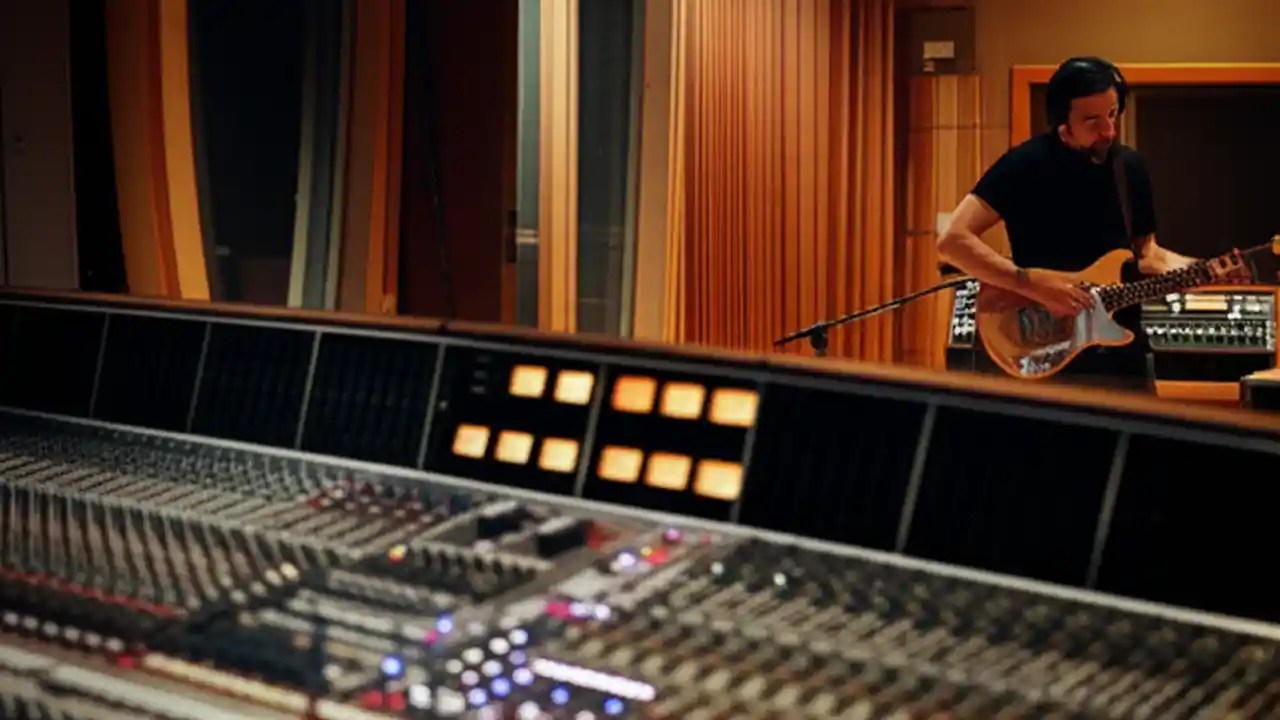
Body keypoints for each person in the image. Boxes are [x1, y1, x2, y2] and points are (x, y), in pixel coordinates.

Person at [937, 55, 1197, 392]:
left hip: (1123, 356)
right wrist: (1030, 285)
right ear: (1063, 121)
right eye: (1092, 120)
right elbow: (953, 240)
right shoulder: (1024, 165)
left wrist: (1203, 270)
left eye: (1113, 114)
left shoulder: (1128, 168)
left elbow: (1147, 253)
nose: (1108, 130)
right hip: (1048, 351)